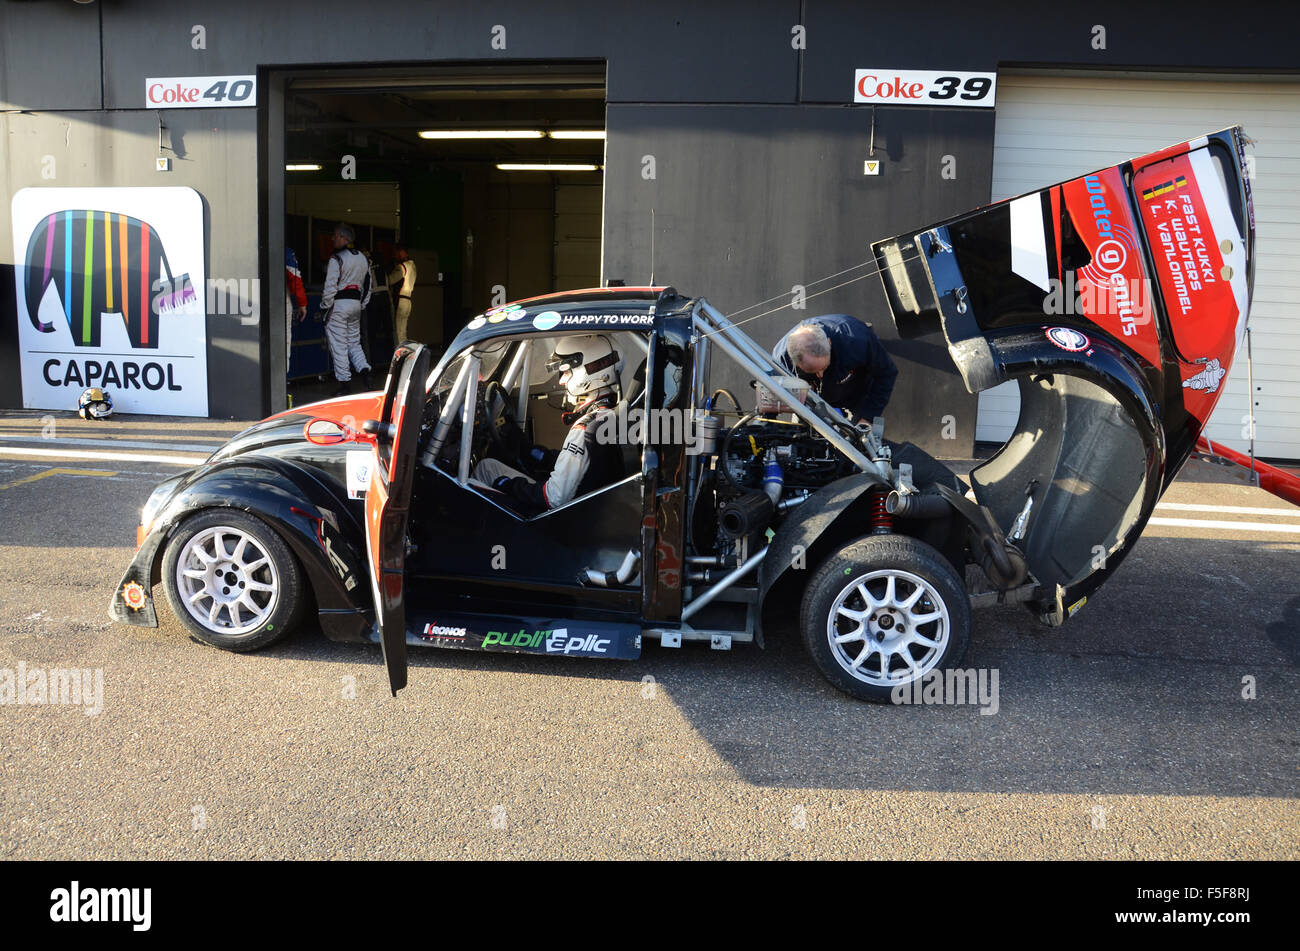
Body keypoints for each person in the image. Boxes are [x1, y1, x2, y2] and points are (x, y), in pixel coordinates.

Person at [472, 335, 625, 516]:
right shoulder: (608, 412)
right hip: (592, 512)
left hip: (556, 521)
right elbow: (578, 463)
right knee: (487, 466)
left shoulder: (584, 428)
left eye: (566, 372)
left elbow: (553, 498)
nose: (561, 381)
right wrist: (533, 453)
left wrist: (508, 485)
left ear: (587, 372)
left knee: (479, 476)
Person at [772, 314, 897, 424]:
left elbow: (886, 374)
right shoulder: (781, 361)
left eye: (824, 367)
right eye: (812, 371)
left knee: (862, 435)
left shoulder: (857, 340)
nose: (820, 375)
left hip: (855, 391)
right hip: (809, 399)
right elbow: (772, 395)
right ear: (795, 362)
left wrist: (868, 417)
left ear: (829, 343)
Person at [318, 223, 373, 395]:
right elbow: (368, 285)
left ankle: (345, 385)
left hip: (339, 306)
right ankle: (365, 373)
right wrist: (362, 304)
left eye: (335, 236)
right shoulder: (363, 258)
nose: (332, 238)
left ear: (344, 238)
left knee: (339, 346)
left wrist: (325, 306)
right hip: (356, 305)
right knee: (354, 343)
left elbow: (330, 287)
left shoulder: (336, 259)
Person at [386, 244, 417, 344]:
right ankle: (404, 350)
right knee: (403, 331)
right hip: (408, 301)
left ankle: (400, 351)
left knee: (398, 332)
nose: (395, 256)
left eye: (396, 253)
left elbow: (390, 280)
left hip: (400, 301)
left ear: (401, 252)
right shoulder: (413, 266)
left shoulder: (402, 267)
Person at [284, 247, 308, 372]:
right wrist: (302, 303)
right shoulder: (284, 250)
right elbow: (294, 278)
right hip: (280, 300)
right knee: (284, 341)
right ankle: (281, 380)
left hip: (252, 298)